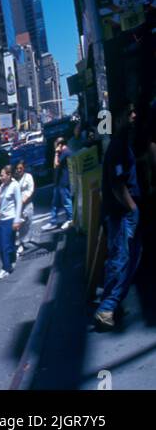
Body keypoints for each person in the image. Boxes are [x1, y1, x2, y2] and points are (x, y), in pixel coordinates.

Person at [95, 106, 143, 331]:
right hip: (121, 214)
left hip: (121, 213)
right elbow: (116, 184)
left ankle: (112, 305)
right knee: (121, 259)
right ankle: (106, 309)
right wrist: (132, 208)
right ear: (120, 117)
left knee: (128, 258)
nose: (134, 115)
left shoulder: (121, 144)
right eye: (129, 111)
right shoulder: (118, 147)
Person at [0, 164, 21, 280]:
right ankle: (11, 260)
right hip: (1, 219)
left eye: (2, 175)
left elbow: (19, 203)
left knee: (5, 245)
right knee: (0, 245)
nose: (0, 178)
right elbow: (1, 202)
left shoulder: (15, 185)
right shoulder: (3, 186)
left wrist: (17, 220)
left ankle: (5, 268)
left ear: (9, 175)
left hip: (10, 219)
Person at [50, 136, 73, 229]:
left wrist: (56, 153)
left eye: (56, 145)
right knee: (55, 202)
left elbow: (56, 165)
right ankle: (53, 221)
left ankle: (70, 219)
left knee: (66, 201)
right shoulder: (62, 152)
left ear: (60, 144)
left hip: (64, 181)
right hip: (59, 181)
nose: (55, 147)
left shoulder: (65, 152)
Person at [14, 160, 36, 257]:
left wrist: (24, 199)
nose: (19, 170)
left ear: (24, 168)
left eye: (21, 168)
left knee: (28, 222)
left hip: (27, 203)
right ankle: (19, 244)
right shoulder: (14, 179)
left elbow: (30, 189)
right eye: (17, 168)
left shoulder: (28, 177)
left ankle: (25, 241)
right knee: (19, 225)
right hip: (17, 206)